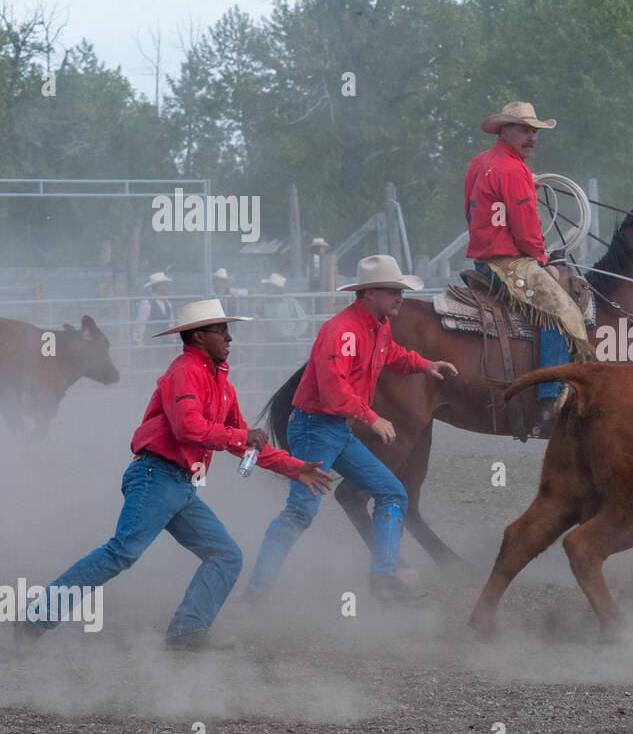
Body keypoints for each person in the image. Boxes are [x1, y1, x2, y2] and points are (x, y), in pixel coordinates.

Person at [18, 300, 332, 651]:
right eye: (221, 330)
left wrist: (294, 467)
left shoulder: (220, 382)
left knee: (224, 555)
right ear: (199, 336)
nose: (229, 337)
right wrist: (244, 438)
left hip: (176, 483)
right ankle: (34, 619)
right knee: (123, 552)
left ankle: (187, 631)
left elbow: (241, 440)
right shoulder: (185, 371)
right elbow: (189, 428)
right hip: (159, 476)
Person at [246, 255, 458, 603]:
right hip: (316, 429)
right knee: (300, 511)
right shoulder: (342, 330)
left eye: (399, 291)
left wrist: (425, 364)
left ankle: (385, 578)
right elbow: (334, 390)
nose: (400, 298)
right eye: (393, 291)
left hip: (334, 430)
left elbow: (392, 355)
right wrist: (372, 418)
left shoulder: (377, 325)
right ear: (370, 293)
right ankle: (256, 591)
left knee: (392, 492)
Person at [464, 101, 593, 437]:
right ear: (504, 130)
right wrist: (541, 257)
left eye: (535, 131)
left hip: (484, 259)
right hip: (509, 263)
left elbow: (469, 208)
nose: (532, 136)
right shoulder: (512, 171)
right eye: (525, 129)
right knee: (562, 311)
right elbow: (525, 228)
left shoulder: (481, 163)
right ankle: (550, 397)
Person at [133, 271, 176, 375]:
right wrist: (139, 343)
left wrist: (173, 339)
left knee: (165, 366)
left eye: (165, 284)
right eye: (163, 284)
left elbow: (171, 323)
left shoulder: (167, 304)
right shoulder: (146, 303)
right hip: (152, 342)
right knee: (152, 367)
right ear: (157, 286)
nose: (166, 287)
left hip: (165, 342)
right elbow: (140, 324)